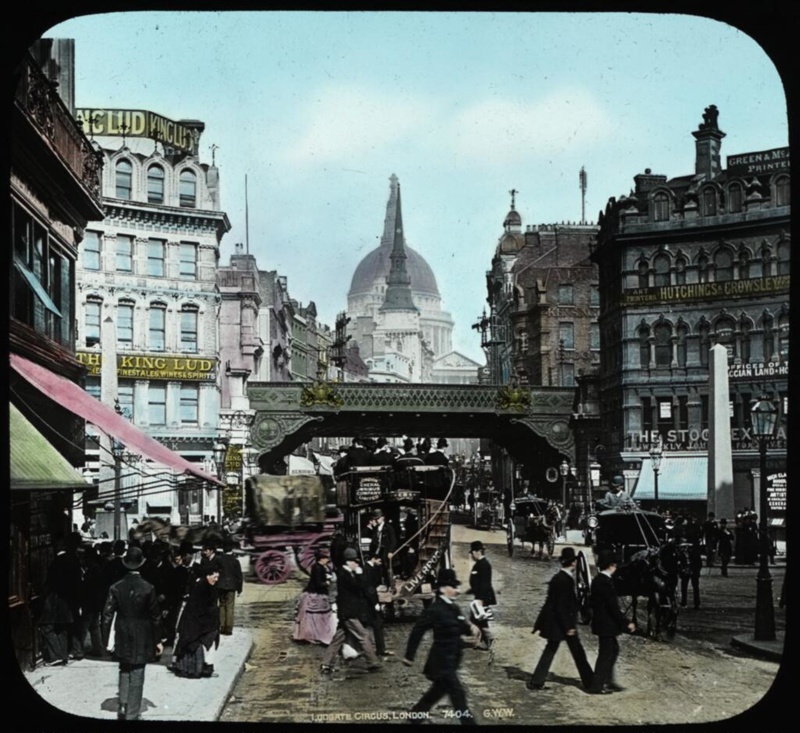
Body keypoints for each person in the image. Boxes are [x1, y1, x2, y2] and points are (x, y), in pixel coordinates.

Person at [402, 568, 479, 725]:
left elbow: (459, 626)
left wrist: (471, 628)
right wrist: (409, 656)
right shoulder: (434, 610)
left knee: (434, 695)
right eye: (454, 587)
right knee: (459, 697)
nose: (457, 591)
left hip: (452, 661)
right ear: (444, 589)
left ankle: (413, 718)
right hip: (441, 662)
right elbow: (417, 631)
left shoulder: (453, 608)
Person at [102, 546, 165, 721]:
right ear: (142, 563)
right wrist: (158, 640)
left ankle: (123, 705)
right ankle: (132, 714)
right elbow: (156, 617)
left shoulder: (115, 587)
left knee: (124, 668)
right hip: (142, 634)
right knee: (137, 670)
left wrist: (106, 638)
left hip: (122, 632)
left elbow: (106, 615)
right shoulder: (148, 588)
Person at [528, 547, 594, 690]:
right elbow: (561, 607)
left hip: (557, 623)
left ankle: (536, 681)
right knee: (577, 652)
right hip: (563, 624)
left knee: (551, 650)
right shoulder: (565, 581)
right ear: (573, 563)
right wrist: (569, 626)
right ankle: (590, 683)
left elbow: (553, 604)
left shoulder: (558, 578)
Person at [319, 547, 381, 674]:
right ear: (349, 561)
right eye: (355, 562)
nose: (357, 564)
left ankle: (326, 664)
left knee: (338, 639)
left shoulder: (345, 572)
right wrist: (359, 574)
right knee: (363, 635)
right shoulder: (343, 573)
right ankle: (372, 662)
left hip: (347, 612)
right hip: (349, 613)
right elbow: (357, 587)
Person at [587, 550, 635, 695]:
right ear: (611, 565)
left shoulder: (600, 580)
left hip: (604, 623)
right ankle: (598, 685)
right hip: (606, 624)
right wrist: (626, 622)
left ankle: (606, 681)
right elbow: (612, 607)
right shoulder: (604, 582)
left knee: (612, 650)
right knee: (606, 654)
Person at [39, 534, 85, 666]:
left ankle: (57, 655)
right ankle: (67, 653)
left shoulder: (61, 559)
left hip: (57, 599)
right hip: (71, 598)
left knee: (47, 626)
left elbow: (51, 581)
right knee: (65, 627)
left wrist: (42, 596)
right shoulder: (75, 559)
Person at [172, 565, 221, 678]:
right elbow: (199, 608)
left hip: (202, 622)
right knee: (209, 639)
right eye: (215, 577)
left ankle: (207, 666)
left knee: (211, 638)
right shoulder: (200, 587)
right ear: (208, 576)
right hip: (195, 624)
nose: (216, 579)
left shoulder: (209, 586)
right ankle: (205, 667)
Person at [293, 548, 336, 645]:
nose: (327, 560)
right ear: (322, 559)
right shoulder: (318, 568)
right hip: (316, 595)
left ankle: (314, 635)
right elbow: (318, 583)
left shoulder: (317, 567)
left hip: (314, 594)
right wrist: (327, 582)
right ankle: (315, 635)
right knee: (316, 616)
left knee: (313, 617)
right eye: (326, 559)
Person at [467, 540, 497, 651]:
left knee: (480, 619)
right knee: (478, 619)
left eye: (472, 552)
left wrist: (481, 599)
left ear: (477, 552)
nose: (471, 555)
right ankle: (483, 640)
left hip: (482, 597)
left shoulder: (484, 565)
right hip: (480, 596)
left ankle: (488, 640)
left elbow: (485, 584)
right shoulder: (480, 564)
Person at [363, 551, 391, 656]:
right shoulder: (367, 570)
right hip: (369, 602)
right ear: (373, 559)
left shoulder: (372, 568)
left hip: (371, 601)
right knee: (372, 624)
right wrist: (375, 603)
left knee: (377, 624)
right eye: (379, 560)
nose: (380, 563)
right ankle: (378, 649)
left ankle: (380, 649)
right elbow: (369, 588)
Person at [216, 538, 243, 635]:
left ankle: (222, 627)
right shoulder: (235, 561)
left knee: (222, 606)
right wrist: (239, 589)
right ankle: (229, 629)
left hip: (221, 586)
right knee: (230, 607)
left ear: (223, 549)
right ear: (232, 549)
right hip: (232, 587)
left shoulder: (219, 560)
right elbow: (239, 576)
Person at [368, 508, 398, 584]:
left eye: (378, 518)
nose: (377, 520)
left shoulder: (388, 528)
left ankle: (390, 585)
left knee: (388, 568)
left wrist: (391, 551)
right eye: (375, 519)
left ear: (382, 517)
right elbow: (374, 541)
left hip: (386, 551)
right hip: (379, 551)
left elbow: (393, 541)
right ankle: (381, 583)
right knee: (379, 568)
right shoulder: (376, 528)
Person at [680, 516, 703, 609]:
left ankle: (684, 602)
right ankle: (696, 603)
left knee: (685, 586)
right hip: (693, 568)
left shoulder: (684, 549)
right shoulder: (696, 549)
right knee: (695, 586)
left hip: (688, 568)